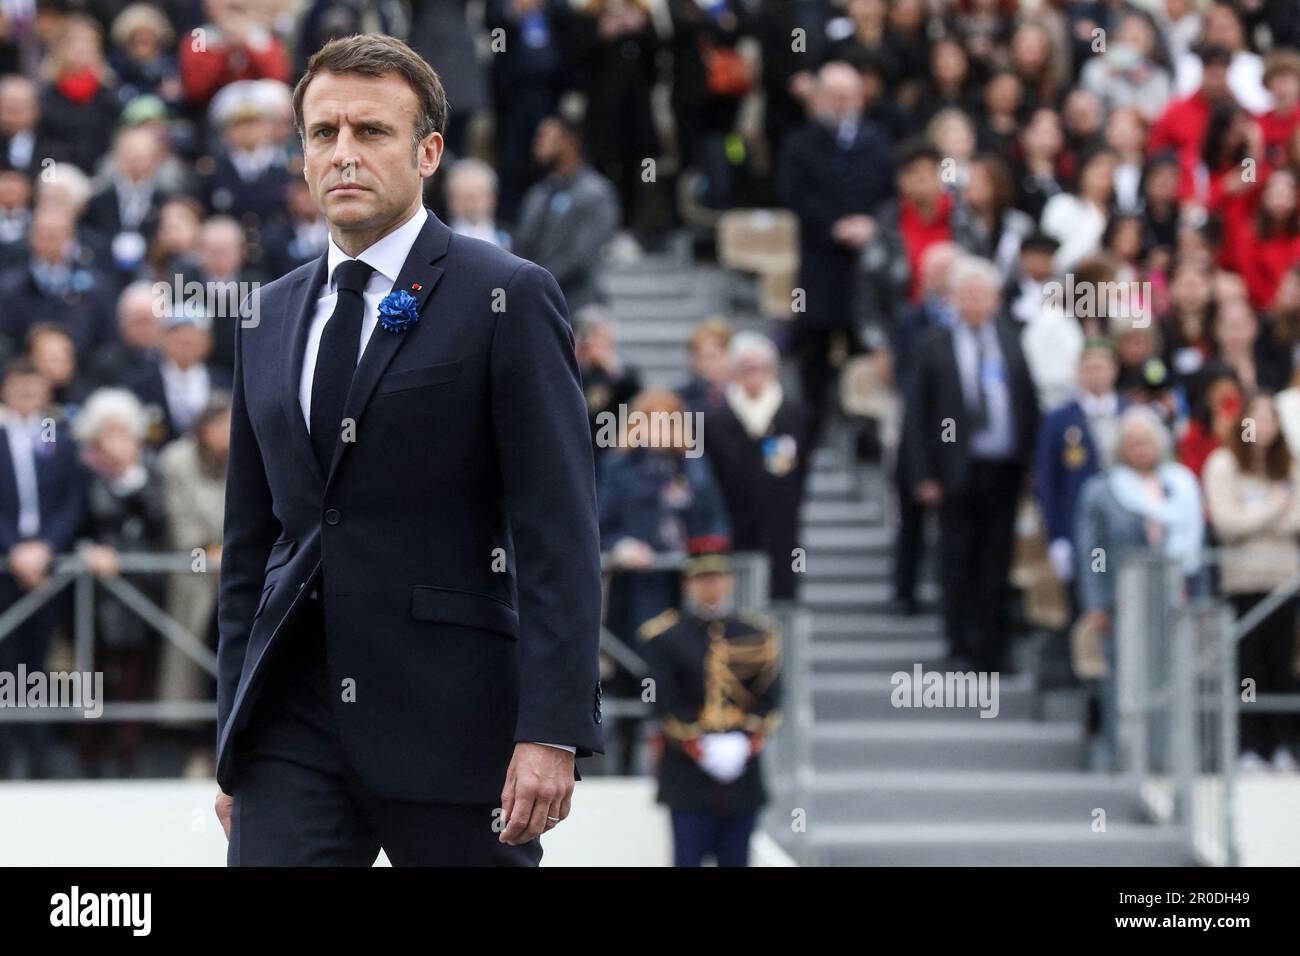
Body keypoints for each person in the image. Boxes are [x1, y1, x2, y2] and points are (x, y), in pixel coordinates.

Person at [214, 35, 603, 866]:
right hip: (292, 725)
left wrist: (553, 729)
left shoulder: (507, 295)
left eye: (371, 132)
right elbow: (252, 546)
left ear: (428, 151)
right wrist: (231, 737)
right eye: (324, 134)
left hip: (458, 723)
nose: (343, 154)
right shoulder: (266, 314)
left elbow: (559, 531)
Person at [903, 255, 1040, 671]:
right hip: (955, 470)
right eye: (968, 294)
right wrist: (924, 473)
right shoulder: (934, 345)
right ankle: (960, 643)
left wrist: (1031, 462)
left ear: (996, 299)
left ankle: (993, 649)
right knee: (957, 557)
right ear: (954, 299)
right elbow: (917, 416)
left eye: (983, 294)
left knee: (997, 560)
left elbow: (1028, 403)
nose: (977, 302)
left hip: (1004, 467)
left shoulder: (1014, 340)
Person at [1075, 406, 1205, 770]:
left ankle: (1168, 757)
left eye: (1146, 440)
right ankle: (1125, 756)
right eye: (1131, 442)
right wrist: (1097, 601)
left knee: (1171, 675)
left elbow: (1196, 544)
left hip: (1173, 595)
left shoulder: (1178, 485)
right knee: (1124, 676)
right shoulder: (1101, 490)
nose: (1140, 448)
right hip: (1123, 601)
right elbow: (1093, 551)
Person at [640, 544, 782, 867]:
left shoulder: (757, 633)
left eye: (717, 577)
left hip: (742, 774)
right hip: (687, 775)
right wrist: (697, 743)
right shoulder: (666, 636)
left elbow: (770, 697)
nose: (710, 586)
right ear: (688, 583)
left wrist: (745, 742)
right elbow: (659, 699)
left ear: (730, 581)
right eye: (702, 578)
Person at [1201, 392, 1300, 772]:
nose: (1263, 427)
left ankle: (1282, 746)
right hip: (1242, 583)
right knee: (1248, 668)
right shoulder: (1224, 464)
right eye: (1255, 419)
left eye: (1270, 419)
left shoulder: (1287, 467)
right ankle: (1249, 746)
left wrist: (1256, 514)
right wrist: (1276, 506)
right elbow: (1228, 525)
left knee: (1281, 665)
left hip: (1282, 583)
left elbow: (1294, 522)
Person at [0, 358, 85, 778]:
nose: (28, 396)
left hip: (46, 567)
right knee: (5, 657)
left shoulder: (59, 439)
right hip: (5, 567)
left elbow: (72, 501)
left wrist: (46, 547)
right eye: (20, 388)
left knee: (38, 661)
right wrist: (15, 549)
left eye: (35, 388)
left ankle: (38, 756)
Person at [704, 332, 812, 601]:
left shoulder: (794, 415)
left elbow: (800, 471)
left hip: (781, 524)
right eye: (747, 368)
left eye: (762, 367)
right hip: (733, 524)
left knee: (780, 595)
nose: (755, 374)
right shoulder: (716, 420)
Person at [1035, 341, 1124, 591]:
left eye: (1100, 367)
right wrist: (1057, 536)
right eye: (1088, 368)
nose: (1095, 374)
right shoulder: (1059, 420)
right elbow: (1047, 480)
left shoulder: (1131, 413)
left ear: (1113, 370)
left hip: (1124, 525)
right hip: (1078, 524)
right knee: (1087, 597)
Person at [511, 116, 620, 312]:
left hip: (579, 306)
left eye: (546, 135)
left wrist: (536, 281)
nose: (538, 142)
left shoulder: (596, 193)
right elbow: (521, 244)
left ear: (570, 142)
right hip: (536, 303)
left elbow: (581, 257)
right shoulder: (538, 193)